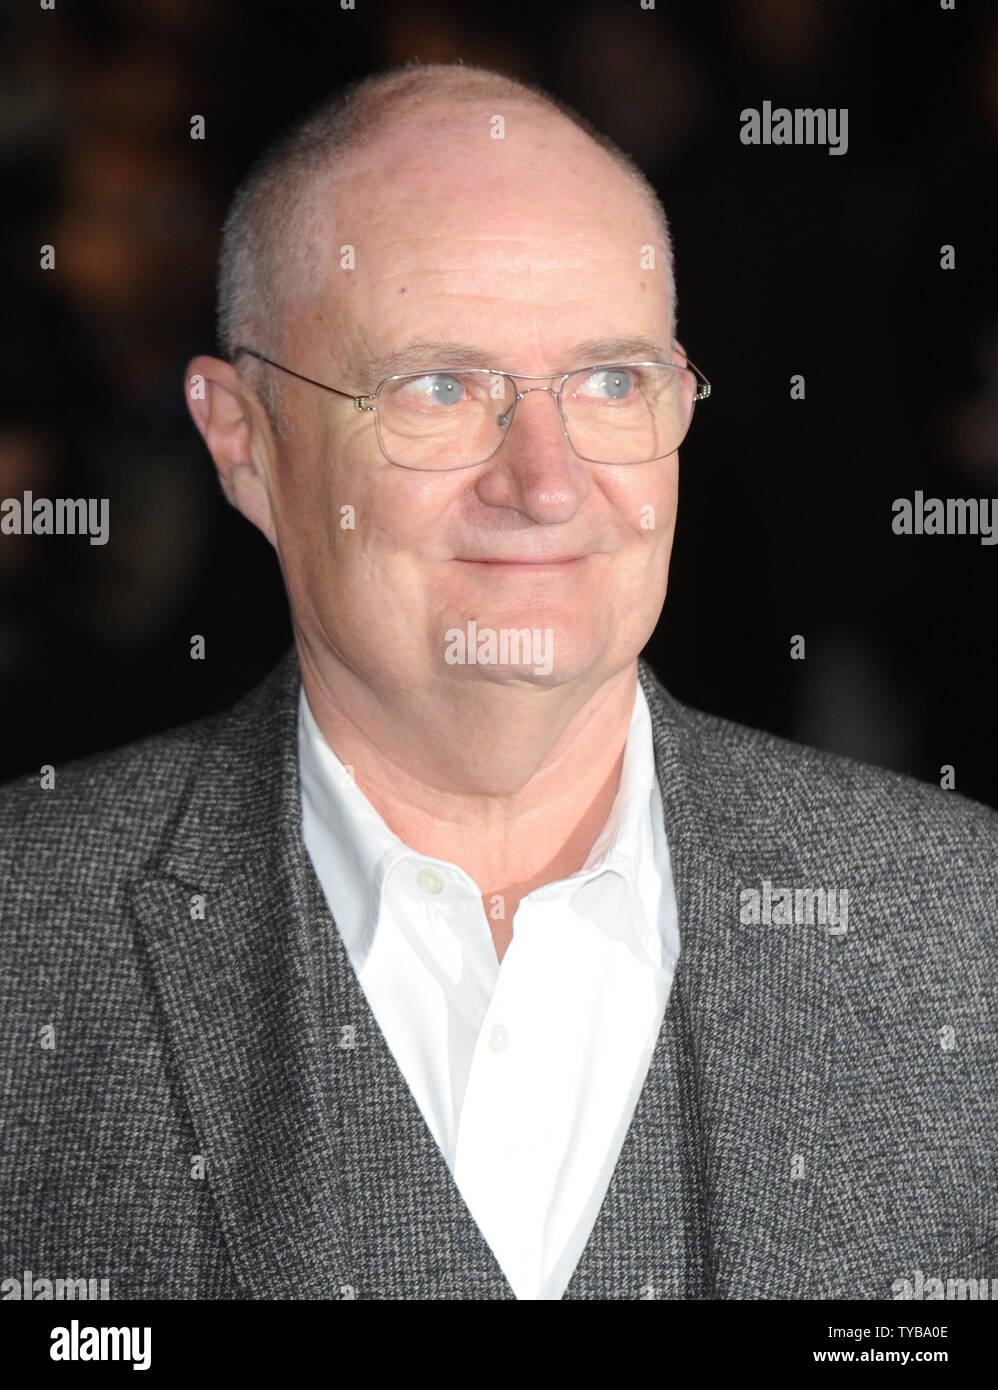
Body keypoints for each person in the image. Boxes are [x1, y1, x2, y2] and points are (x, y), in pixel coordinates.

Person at [1, 62, 995, 1302]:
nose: (545, 482)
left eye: (612, 382)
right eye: (437, 387)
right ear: (244, 444)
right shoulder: (26, 936)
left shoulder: (961, 924)